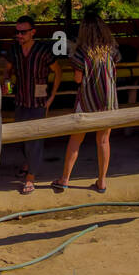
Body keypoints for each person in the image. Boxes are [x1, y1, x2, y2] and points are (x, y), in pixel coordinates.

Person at [53, 12, 120, 194]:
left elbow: (77, 79)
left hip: (87, 100)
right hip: (109, 101)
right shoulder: (112, 49)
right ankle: (102, 181)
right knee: (104, 141)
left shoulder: (81, 53)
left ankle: (65, 179)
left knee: (76, 139)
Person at [9, 15, 62, 195]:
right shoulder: (14, 50)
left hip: (38, 102)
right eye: (17, 31)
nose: (19, 35)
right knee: (21, 139)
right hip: (21, 100)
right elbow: (7, 70)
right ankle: (28, 163)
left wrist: (52, 97)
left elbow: (58, 72)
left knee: (35, 141)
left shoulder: (43, 51)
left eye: (23, 32)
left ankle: (30, 178)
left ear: (33, 32)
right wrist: (6, 81)